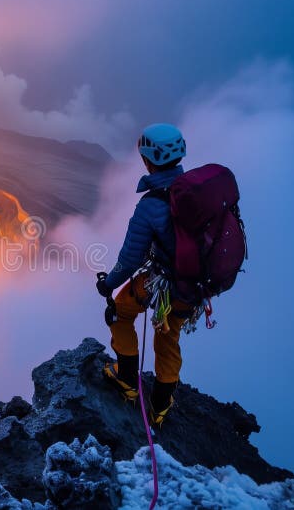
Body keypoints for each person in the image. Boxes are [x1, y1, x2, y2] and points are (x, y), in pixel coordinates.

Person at [95, 123, 193, 428]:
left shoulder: (151, 205)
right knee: (169, 335)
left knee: (120, 313)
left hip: (162, 282)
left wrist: (107, 285)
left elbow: (129, 260)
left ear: (147, 158)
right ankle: (161, 406)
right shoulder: (193, 191)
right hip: (195, 286)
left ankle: (126, 380)